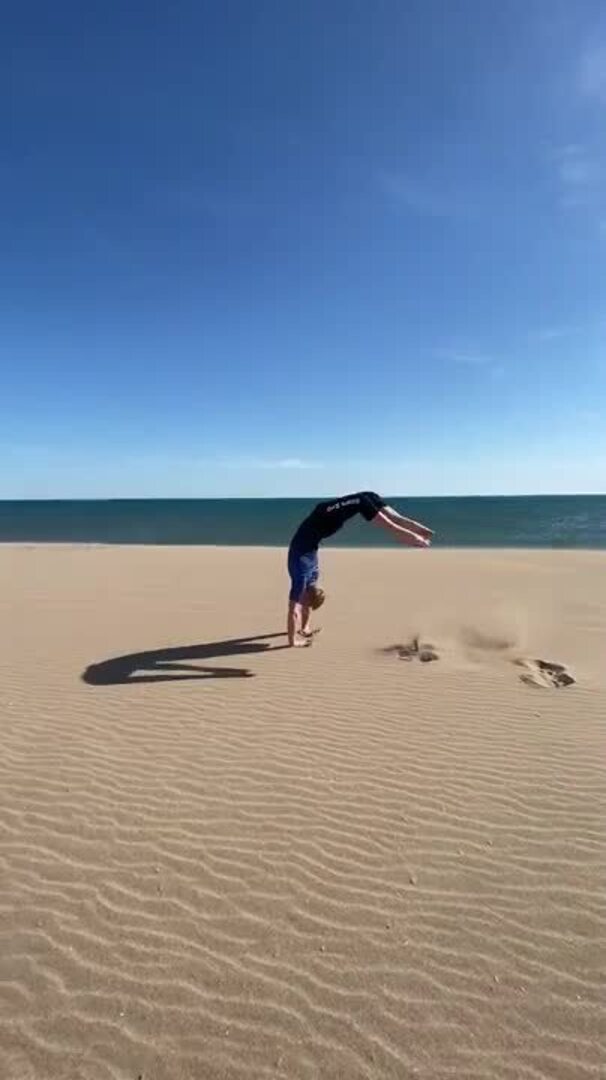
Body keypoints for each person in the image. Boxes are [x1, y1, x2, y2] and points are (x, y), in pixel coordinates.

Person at [287, 492, 433, 646]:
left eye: (305, 604)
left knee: (392, 525)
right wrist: (305, 624)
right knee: (395, 521)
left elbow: (293, 612)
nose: (302, 605)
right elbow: (303, 606)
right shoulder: (310, 578)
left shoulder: (302, 576)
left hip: (343, 508)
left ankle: (421, 540)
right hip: (326, 526)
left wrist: (293, 642)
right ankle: (424, 535)